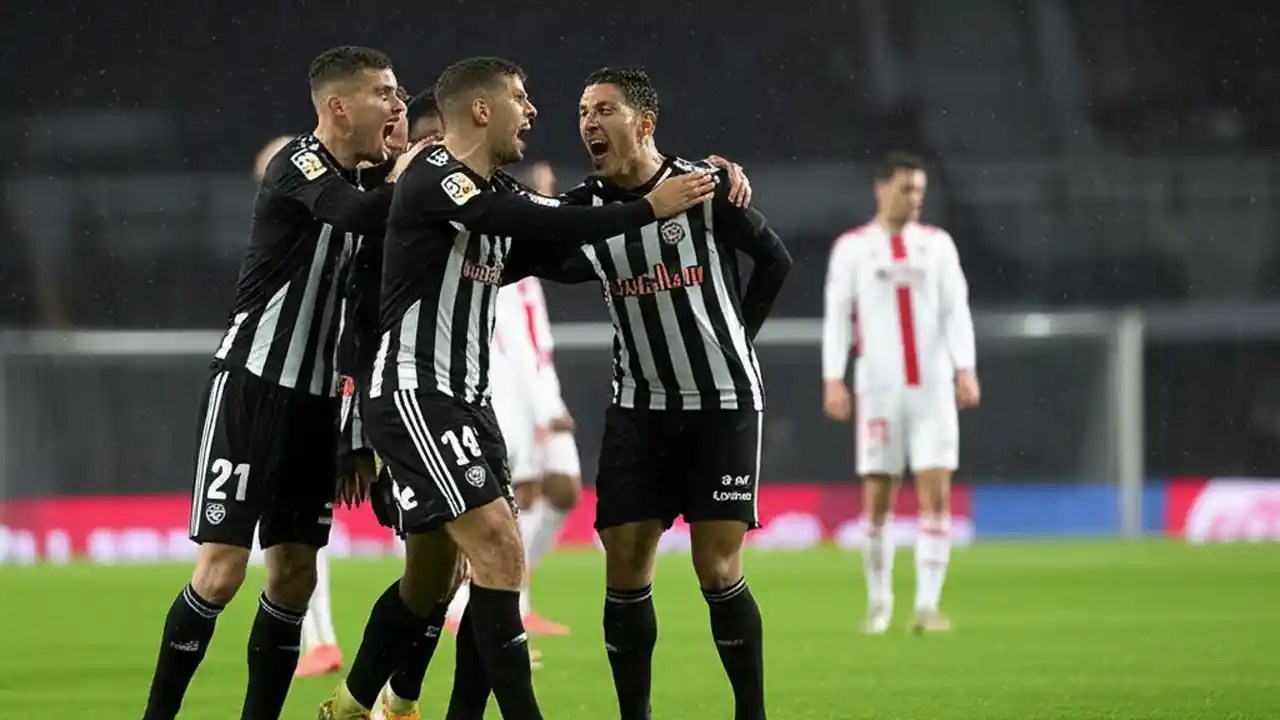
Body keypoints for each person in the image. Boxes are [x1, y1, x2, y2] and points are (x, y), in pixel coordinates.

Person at [318, 55, 716, 720]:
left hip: (467, 404)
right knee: (501, 551)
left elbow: (557, 234)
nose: (533, 112)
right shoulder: (434, 172)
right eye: (521, 99)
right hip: (416, 393)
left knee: (436, 579)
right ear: (481, 109)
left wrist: (669, 185)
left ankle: (353, 706)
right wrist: (649, 206)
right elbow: (549, 225)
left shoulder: (494, 196)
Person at [140, 45, 419, 720]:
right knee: (222, 571)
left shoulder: (377, 180)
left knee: (293, 577)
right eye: (382, 92)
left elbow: (365, 327)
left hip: (318, 407)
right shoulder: (301, 163)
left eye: (397, 92)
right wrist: (412, 181)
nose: (395, 102)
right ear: (337, 106)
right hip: (252, 388)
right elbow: (352, 215)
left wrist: (355, 435)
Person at [510, 66, 791, 720]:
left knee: (716, 569)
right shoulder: (587, 210)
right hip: (639, 408)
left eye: (603, 109)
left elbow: (775, 260)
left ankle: (752, 713)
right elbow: (533, 253)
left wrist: (735, 341)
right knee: (625, 567)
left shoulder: (704, 187)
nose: (588, 123)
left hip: (722, 404)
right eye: (582, 111)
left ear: (644, 122)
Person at [820, 152, 981, 635]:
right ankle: (880, 603)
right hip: (879, 389)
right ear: (881, 188)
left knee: (937, 494)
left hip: (931, 389)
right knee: (878, 500)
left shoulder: (937, 245)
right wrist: (834, 377)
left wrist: (965, 368)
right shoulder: (853, 248)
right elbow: (837, 317)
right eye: (907, 189)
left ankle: (927, 608)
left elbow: (958, 312)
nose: (915, 200)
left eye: (919, 191)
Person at [444, 161, 579, 639]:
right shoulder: (501, 254)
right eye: (542, 190)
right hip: (510, 393)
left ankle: (517, 591)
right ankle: (472, 604)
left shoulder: (531, 263)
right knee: (515, 497)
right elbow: (511, 342)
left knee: (564, 490)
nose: (551, 194)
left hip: (541, 387)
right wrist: (543, 409)